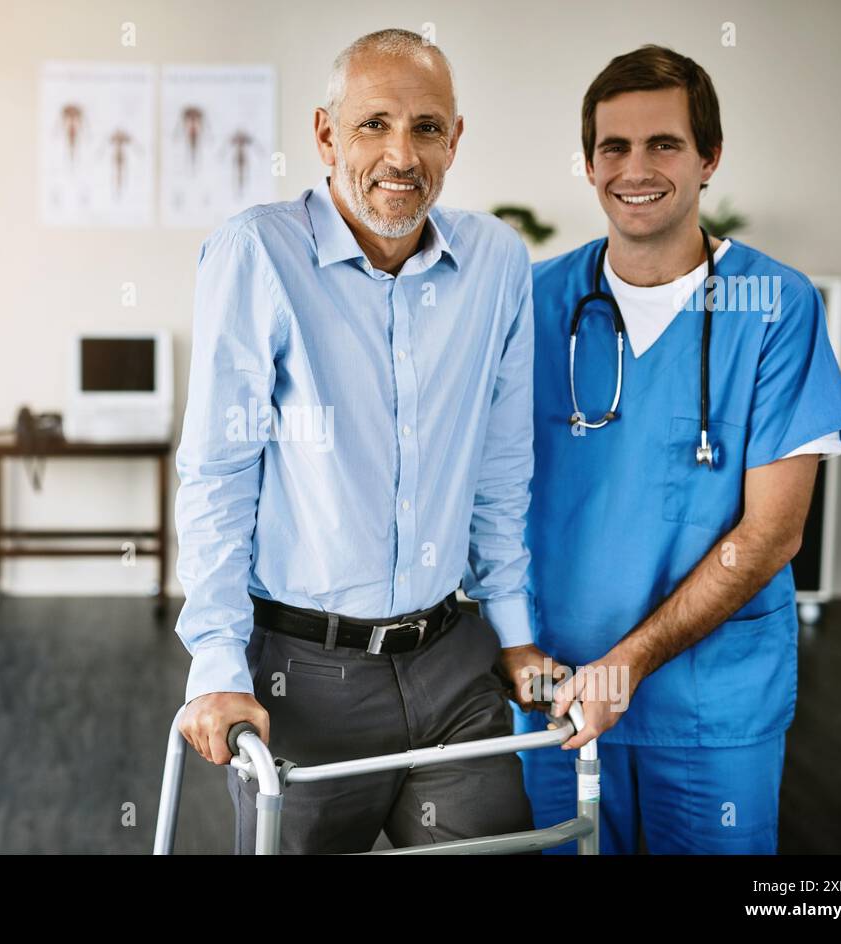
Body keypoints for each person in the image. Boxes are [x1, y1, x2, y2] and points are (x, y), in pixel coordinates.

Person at [172, 28, 537, 854]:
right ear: (326, 133)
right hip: (302, 678)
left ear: (455, 138)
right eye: (373, 124)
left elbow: (501, 468)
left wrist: (514, 633)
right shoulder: (257, 253)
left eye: (427, 128)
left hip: (454, 667)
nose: (401, 155)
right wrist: (219, 670)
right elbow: (218, 476)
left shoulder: (496, 263)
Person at [510, 45, 841, 854]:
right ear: (590, 164)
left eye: (663, 144)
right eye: (613, 147)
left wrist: (627, 666)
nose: (635, 168)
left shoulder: (774, 306)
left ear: (710, 158)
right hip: (557, 697)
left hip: (710, 710)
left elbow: (774, 533)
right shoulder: (535, 301)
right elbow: (487, 492)